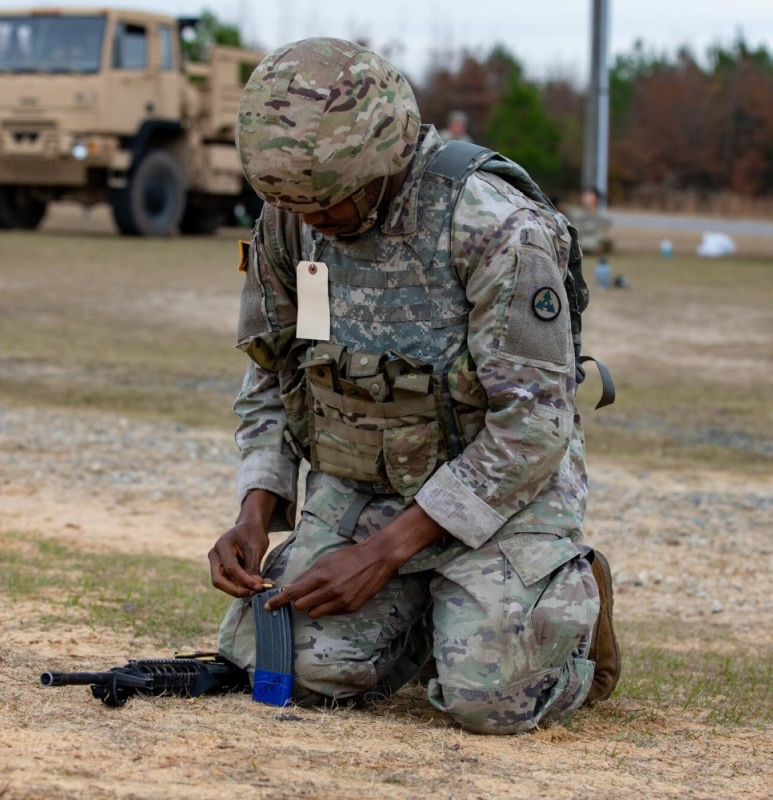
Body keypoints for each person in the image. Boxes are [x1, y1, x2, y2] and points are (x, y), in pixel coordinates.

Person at [208, 37, 619, 735]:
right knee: (278, 664)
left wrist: (381, 555)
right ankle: (431, 612)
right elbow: (273, 375)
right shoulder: (290, 218)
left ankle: (562, 605)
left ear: (384, 161)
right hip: (367, 484)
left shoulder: (494, 228)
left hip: (498, 496)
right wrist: (255, 508)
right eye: (293, 206)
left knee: (492, 701)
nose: (312, 222)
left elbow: (533, 428)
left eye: (330, 205)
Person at [565, 187, 613, 256]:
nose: (586, 198)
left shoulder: (603, 217)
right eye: (585, 196)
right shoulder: (576, 215)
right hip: (580, 242)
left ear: (596, 199)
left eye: (589, 196)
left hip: (594, 243)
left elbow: (604, 234)